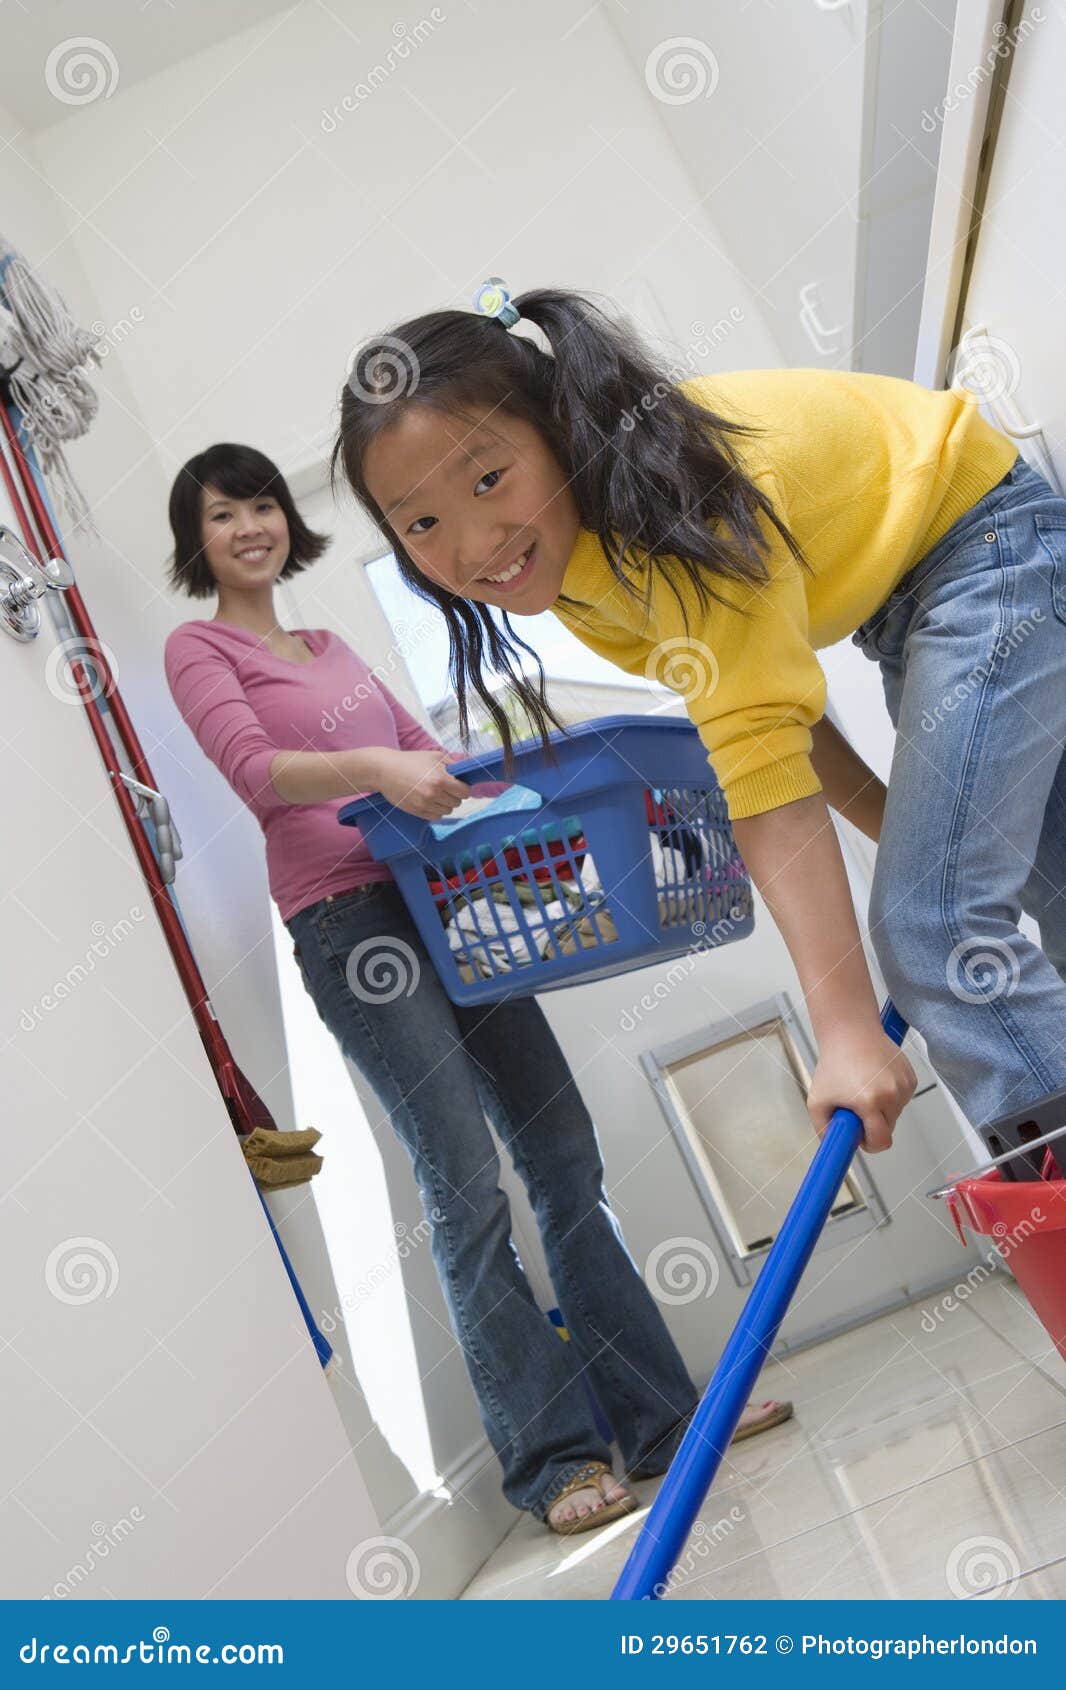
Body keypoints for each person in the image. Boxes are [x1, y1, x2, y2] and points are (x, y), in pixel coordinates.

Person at [163, 442, 791, 1537]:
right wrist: (376, 772)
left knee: (562, 1153)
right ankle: (551, 1466)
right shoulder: (198, 645)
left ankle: (660, 1427)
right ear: (199, 539)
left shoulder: (331, 645)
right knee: (462, 1181)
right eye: (225, 514)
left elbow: (423, 753)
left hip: (453, 897)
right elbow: (258, 774)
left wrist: (532, 792)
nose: (252, 526)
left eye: (263, 503)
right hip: (349, 921)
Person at [331, 282, 1066, 1163]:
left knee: (928, 929)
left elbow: (768, 786)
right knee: (1040, 888)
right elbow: (772, 727)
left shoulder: (670, 509)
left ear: (559, 428)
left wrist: (843, 1030)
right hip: (922, 591)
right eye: (421, 524)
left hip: (985, 546)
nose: (471, 543)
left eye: (489, 478)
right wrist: (907, 835)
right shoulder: (582, 580)